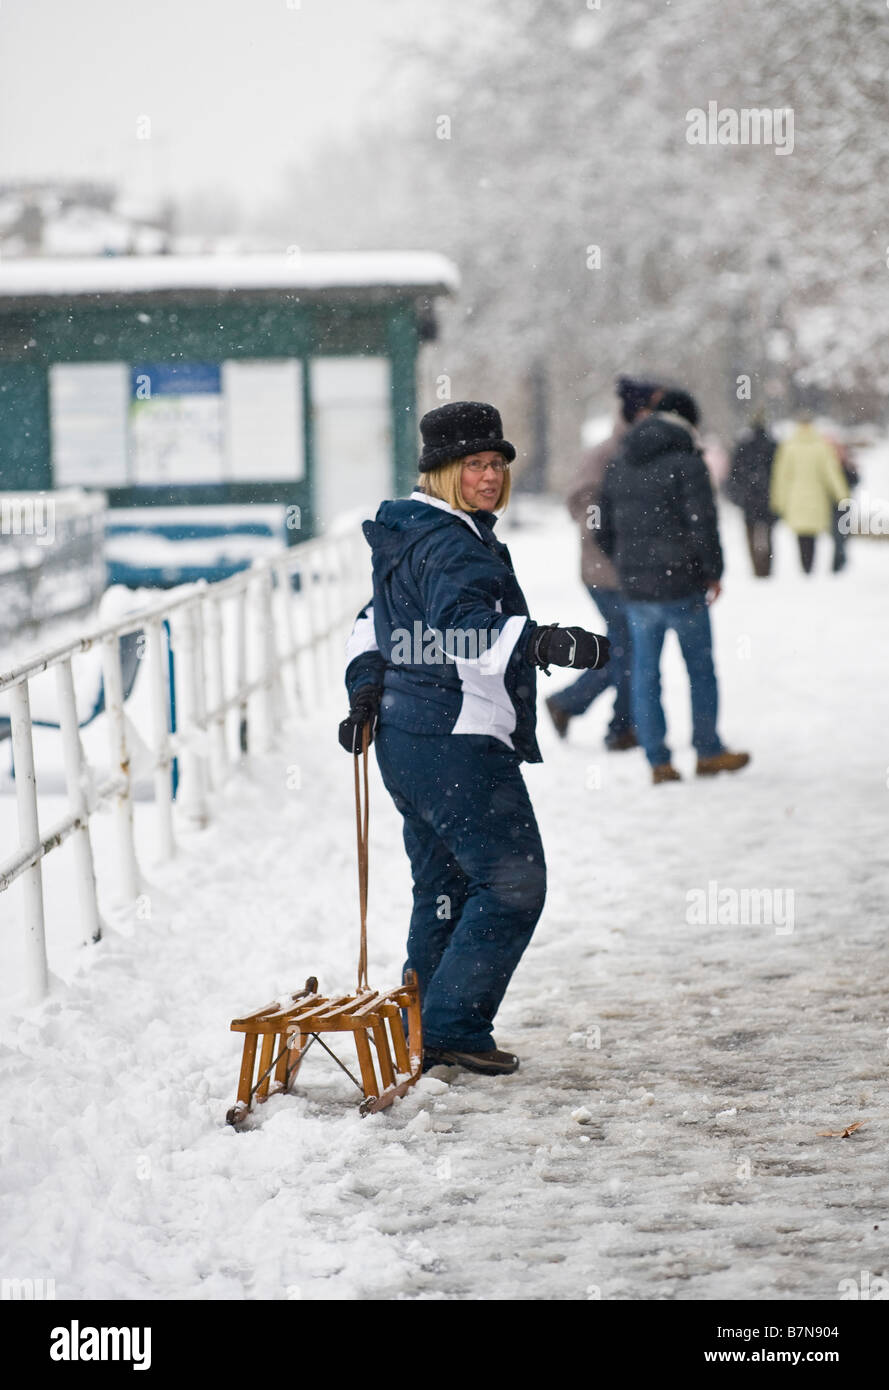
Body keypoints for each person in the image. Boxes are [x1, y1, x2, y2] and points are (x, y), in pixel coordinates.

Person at [339, 401, 610, 1075]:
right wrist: (541, 639)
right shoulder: (453, 543)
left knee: (446, 882)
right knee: (514, 883)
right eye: (473, 465)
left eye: (496, 464)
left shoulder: (406, 530)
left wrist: (366, 688)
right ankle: (451, 1024)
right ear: (441, 472)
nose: (488, 477)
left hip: (406, 735)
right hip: (455, 739)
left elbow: (374, 621)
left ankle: (419, 1017)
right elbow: (461, 625)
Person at [599, 388, 750, 785]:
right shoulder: (687, 463)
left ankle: (658, 761)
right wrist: (713, 571)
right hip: (682, 585)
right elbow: (703, 524)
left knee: (646, 674)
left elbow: (600, 526)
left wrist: (625, 564)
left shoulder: (618, 463)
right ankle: (708, 751)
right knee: (700, 669)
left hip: (637, 591)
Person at [545, 374, 661, 746]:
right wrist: (610, 536)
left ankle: (597, 715)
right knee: (629, 649)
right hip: (606, 571)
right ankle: (617, 726)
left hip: (628, 570)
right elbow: (581, 500)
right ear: (639, 411)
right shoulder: (606, 453)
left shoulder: (640, 449)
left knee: (627, 648)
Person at [770, 413, 849, 574]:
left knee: (802, 535)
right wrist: (842, 495)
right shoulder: (821, 447)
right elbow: (831, 473)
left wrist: (779, 501)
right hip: (817, 499)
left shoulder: (789, 446)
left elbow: (782, 477)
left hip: (796, 499)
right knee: (812, 533)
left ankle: (805, 565)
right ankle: (810, 566)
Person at [726, 412, 777, 577]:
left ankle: (756, 566)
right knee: (768, 533)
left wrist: (737, 496)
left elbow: (733, 474)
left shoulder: (743, 445)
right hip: (768, 496)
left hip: (748, 498)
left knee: (750, 532)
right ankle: (767, 567)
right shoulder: (773, 445)